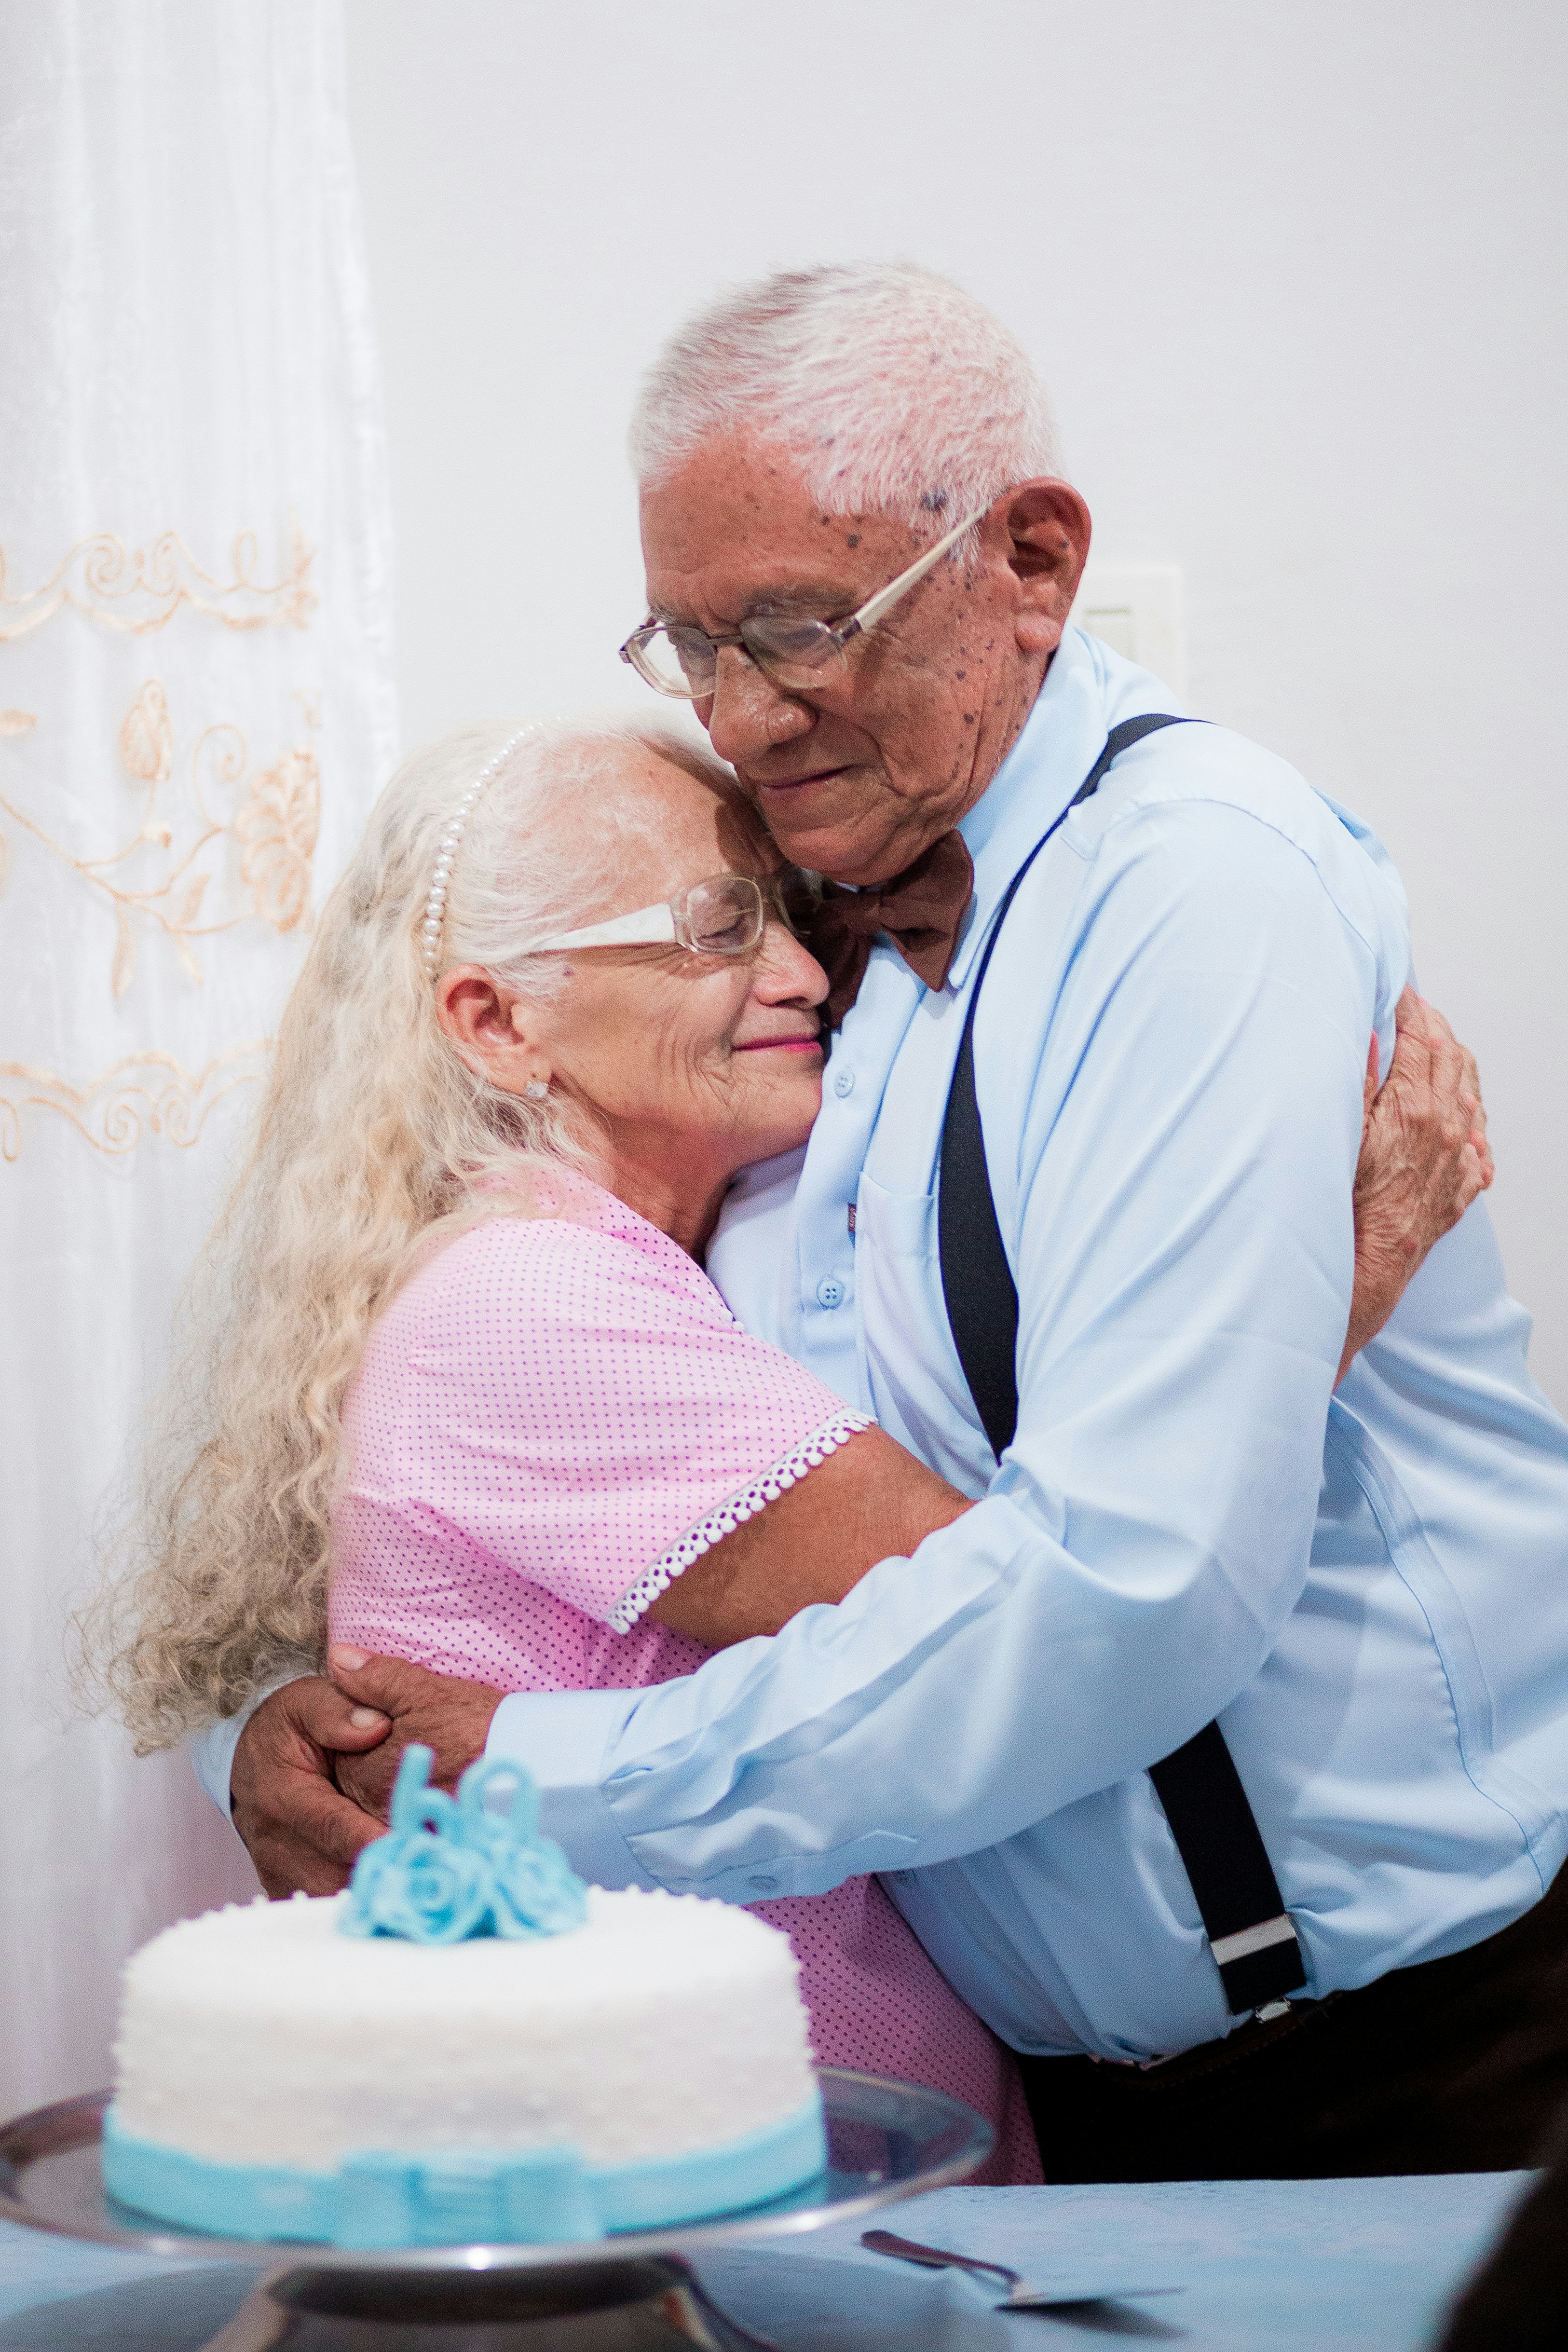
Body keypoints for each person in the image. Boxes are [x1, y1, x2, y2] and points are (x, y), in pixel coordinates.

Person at [205, 262, 1562, 2185]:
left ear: (1027, 556)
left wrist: (527, 1781)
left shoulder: (1193, 900)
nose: (743, 715)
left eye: (794, 628)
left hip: (1396, 2066)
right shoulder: (824, 986)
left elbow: (1127, 1585)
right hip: (1055, 2110)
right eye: (688, 644)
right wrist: (295, 1742)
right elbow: (804, 1507)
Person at [100, 712, 1051, 2173]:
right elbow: (1042, 1619)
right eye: (712, 928)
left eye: (789, 920)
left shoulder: (655, 1249)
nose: (802, 974)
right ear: (497, 1021)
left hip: (803, 2166)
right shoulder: (536, 1300)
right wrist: (1303, 1311)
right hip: (730, 2194)